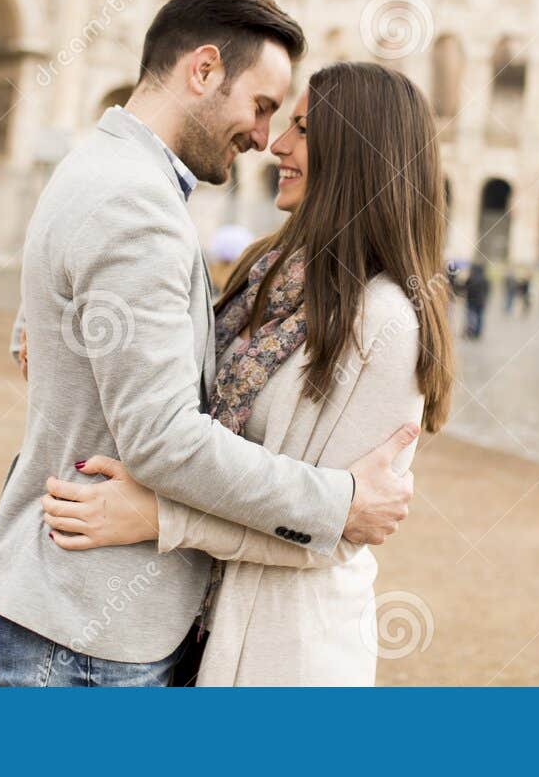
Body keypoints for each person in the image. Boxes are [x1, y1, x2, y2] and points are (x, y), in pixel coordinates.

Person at [0, 0, 419, 687]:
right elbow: (163, 437)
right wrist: (338, 502)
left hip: (82, 607)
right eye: (264, 106)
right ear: (203, 71)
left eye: (288, 121)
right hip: (95, 621)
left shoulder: (103, 166)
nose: (266, 138)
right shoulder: (137, 205)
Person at [41, 62, 454, 685]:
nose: (277, 144)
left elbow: (340, 532)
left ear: (360, 155)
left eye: (305, 129)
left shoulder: (388, 322)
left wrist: (162, 518)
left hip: (286, 651)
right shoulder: (269, 267)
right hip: (205, 625)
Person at [463, 263, 490, 339]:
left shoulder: (471, 278)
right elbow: (487, 291)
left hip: (471, 301)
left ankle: (470, 331)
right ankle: (478, 332)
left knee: (470, 316)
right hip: (481, 301)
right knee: (480, 317)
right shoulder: (485, 279)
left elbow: (465, 287)